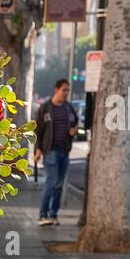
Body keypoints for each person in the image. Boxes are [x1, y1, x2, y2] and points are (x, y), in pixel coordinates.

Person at [34, 80, 78, 227]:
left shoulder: (69, 108)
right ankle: (42, 215)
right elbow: (38, 130)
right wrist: (38, 150)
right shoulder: (46, 108)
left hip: (64, 152)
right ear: (56, 89)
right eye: (64, 90)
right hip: (50, 151)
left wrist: (74, 130)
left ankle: (53, 215)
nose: (66, 93)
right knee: (52, 182)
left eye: (68, 91)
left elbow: (75, 123)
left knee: (59, 185)